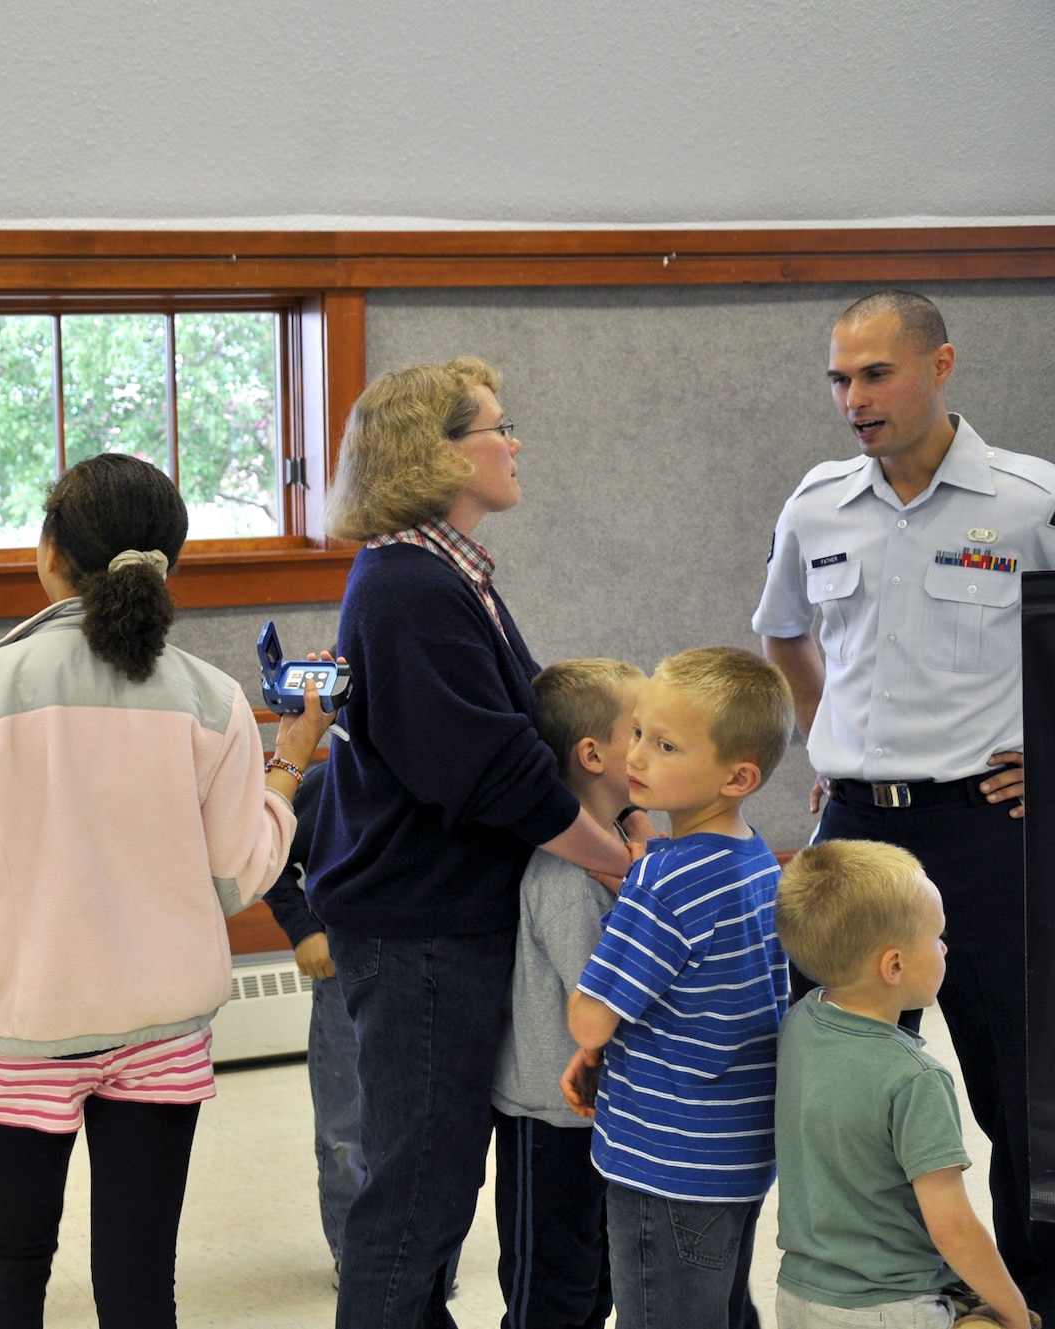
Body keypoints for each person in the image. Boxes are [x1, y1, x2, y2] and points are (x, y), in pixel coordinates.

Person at [0, 453, 337, 1328]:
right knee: (140, 1278)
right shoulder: (210, 702)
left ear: (48, 554)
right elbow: (240, 872)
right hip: (164, 1032)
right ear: (172, 560)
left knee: (11, 1266)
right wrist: (289, 763)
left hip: (21, 1031)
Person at [308, 356, 645, 1329]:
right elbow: (492, 770)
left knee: (431, 1192)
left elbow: (522, 735)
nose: (513, 441)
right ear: (437, 452)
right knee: (416, 1203)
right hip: (423, 934)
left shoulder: (438, 575)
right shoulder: (409, 585)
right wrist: (618, 865)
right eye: (496, 426)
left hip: (442, 923)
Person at [754, 289, 1055, 1319]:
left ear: (940, 366)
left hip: (986, 833)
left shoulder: (1027, 501)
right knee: (841, 1080)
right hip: (854, 835)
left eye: (874, 374)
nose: (851, 399)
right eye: (837, 378)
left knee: (1020, 1095)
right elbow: (785, 634)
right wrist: (825, 737)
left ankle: (1027, 1298)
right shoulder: (815, 504)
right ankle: (882, 1290)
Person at [562, 647, 793, 1329]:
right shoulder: (755, 860)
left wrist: (588, 1026)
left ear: (738, 775)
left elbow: (590, 1021)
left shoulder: (663, 882)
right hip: (737, 1150)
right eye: (638, 732)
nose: (636, 755)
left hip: (666, 1163)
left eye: (665, 745)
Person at [771, 841, 1031, 1329]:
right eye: (937, 936)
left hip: (798, 1296)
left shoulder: (801, 1021)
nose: (946, 947)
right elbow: (953, 1227)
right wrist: (1014, 1310)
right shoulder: (916, 1078)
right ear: (894, 966)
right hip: (892, 1307)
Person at [491, 658, 647, 1329]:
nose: (655, 746)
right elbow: (601, 996)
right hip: (546, 1119)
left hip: (599, 1114)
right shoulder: (564, 869)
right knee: (548, 1292)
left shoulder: (613, 842)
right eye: (640, 732)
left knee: (595, 1283)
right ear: (592, 754)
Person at [261, 763, 368, 1286]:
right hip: (347, 971)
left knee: (431, 1132)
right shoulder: (332, 783)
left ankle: (429, 1264)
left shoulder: (455, 769)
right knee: (346, 1129)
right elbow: (271, 857)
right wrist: (304, 930)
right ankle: (355, 1255)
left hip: (438, 969)